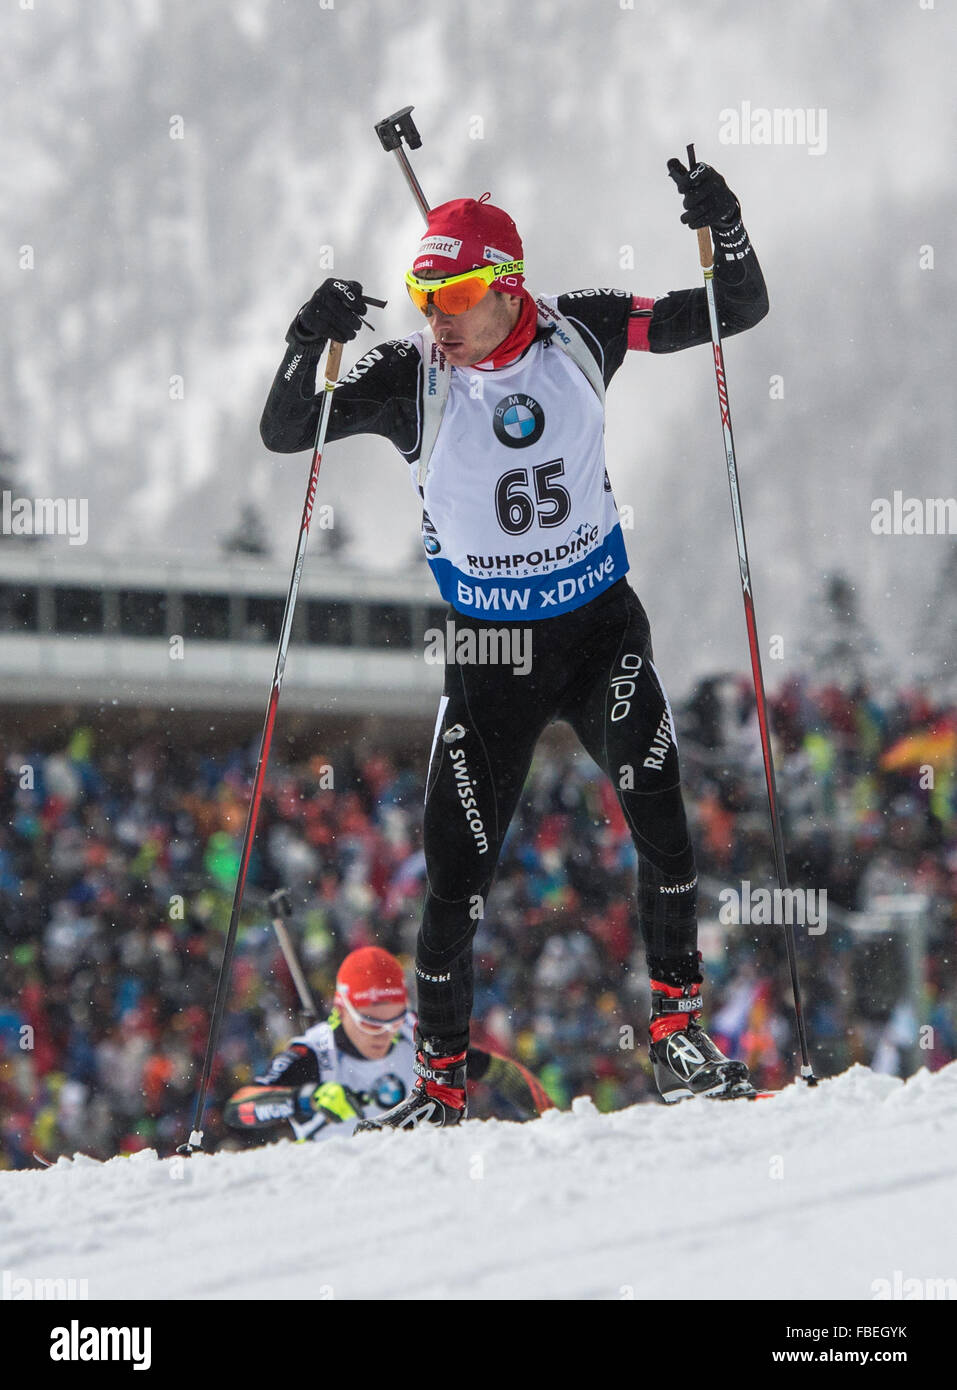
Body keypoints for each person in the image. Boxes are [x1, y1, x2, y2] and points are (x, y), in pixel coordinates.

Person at [260, 156, 770, 1128]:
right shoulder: (413, 377)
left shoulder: (581, 329)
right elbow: (289, 428)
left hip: (596, 632)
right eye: (421, 294)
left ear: (505, 286)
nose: (433, 316)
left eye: (450, 293)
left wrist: (727, 224)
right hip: (492, 658)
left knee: (660, 816)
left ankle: (678, 1031)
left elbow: (732, 308)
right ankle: (440, 1081)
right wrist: (308, 335)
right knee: (456, 869)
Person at [224, 946, 550, 1141]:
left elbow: (498, 1072)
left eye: (393, 1020)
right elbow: (239, 1108)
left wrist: (557, 1122)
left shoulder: (415, 1034)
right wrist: (305, 1099)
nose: (383, 1033)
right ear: (340, 1009)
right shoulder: (314, 1053)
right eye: (369, 1022)